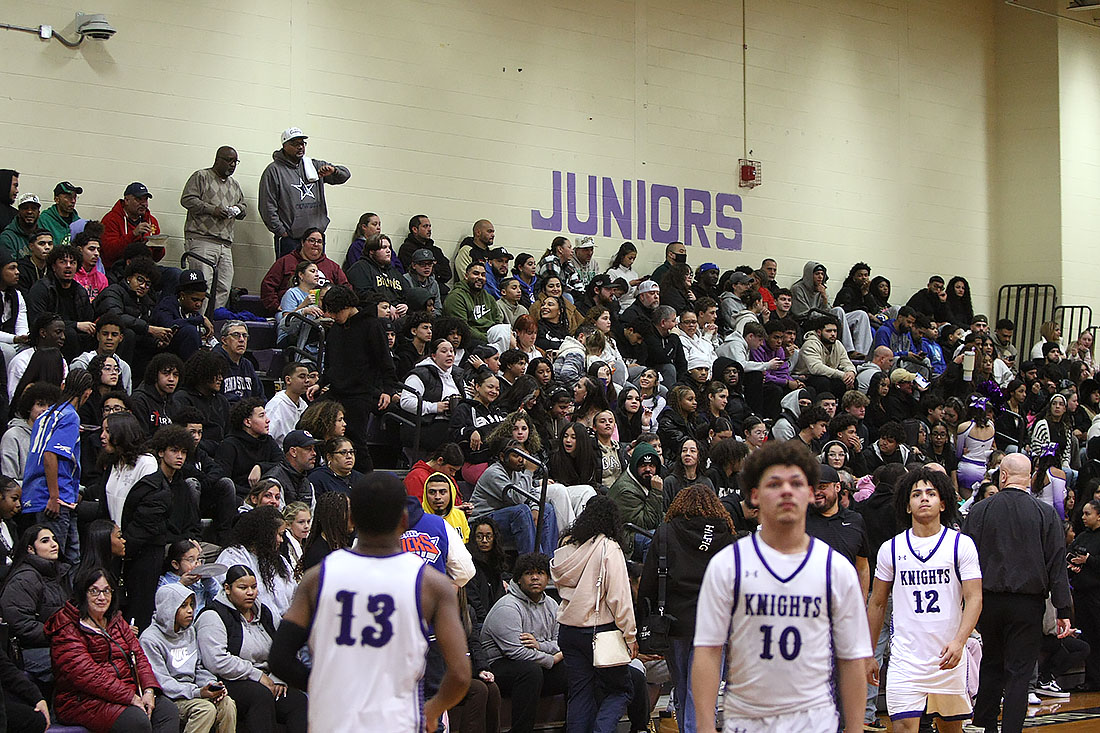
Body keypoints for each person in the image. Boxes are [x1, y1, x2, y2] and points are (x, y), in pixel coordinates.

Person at [691, 441, 872, 733]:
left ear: (811, 493)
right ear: (754, 495)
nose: (786, 491)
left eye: (797, 483)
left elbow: (851, 660)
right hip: (747, 723)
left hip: (816, 723)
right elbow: (708, 652)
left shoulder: (836, 569)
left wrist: (855, 729)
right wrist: (704, 727)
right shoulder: (728, 564)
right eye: (774, 483)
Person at [269, 472, 471, 732]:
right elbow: (461, 674)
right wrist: (432, 710)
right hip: (397, 721)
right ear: (404, 520)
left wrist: (321, 686)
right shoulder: (431, 584)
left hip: (334, 719)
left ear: (351, 519)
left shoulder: (317, 577)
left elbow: (280, 658)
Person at [866, 467, 982, 733]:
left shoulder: (960, 544)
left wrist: (960, 641)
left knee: (950, 729)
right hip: (905, 659)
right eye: (916, 494)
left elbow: (974, 598)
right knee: (904, 727)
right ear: (907, 506)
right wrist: (868, 653)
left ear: (943, 503)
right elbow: (877, 603)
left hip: (948, 655)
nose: (924, 498)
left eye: (931, 493)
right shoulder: (891, 548)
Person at [963, 453, 1073, 733]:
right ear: (1030, 478)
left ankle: (983, 725)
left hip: (987, 601)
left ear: (1002, 476)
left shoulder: (980, 510)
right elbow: (1057, 563)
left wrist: (963, 602)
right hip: (1027, 603)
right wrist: (1064, 610)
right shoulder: (1045, 513)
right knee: (1019, 672)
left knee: (991, 664)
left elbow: (964, 559)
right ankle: (1011, 729)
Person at [639, 484, 735, 733]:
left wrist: (642, 625)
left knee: (682, 689)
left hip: (676, 623)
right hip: (715, 624)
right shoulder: (726, 535)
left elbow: (648, 581)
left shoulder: (666, 533)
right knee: (703, 694)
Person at [45, 566, 180, 732]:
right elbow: (87, 674)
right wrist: (131, 697)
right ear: (83, 593)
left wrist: (148, 690)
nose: (102, 597)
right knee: (136, 721)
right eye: (94, 591)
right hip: (82, 700)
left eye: (106, 591)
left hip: (124, 694)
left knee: (168, 711)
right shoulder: (67, 626)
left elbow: (139, 657)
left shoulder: (116, 621)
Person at [550, 495, 637, 732]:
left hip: (568, 631)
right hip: (601, 632)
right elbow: (620, 597)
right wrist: (630, 636)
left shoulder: (565, 548)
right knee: (621, 690)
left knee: (580, 693)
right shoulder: (609, 547)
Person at [195, 564, 307, 733]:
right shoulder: (213, 615)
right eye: (243, 588)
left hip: (268, 678)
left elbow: (282, 648)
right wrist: (256, 675)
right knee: (260, 696)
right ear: (227, 588)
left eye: (253, 587)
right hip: (230, 680)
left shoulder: (264, 613)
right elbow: (216, 660)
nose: (250, 592)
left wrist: (278, 677)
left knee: (297, 701)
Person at [479, 551, 567, 733]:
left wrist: (541, 646)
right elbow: (516, 652)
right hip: (498, 667)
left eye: (540, 573)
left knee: (574, 668)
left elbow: (562, 640)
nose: (535, 578)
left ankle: (574, 726)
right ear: (519, 579)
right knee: (529, 671)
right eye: (528, 573)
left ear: (547, 578)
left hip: (535, 664)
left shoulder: (551, 604)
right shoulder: (507, 607)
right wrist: (552, 659)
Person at [312, 285, 396, 471]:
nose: (332, 316)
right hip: (335, 391)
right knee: (309, 422)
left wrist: (387, 390)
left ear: (347, 306)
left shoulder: (371, 326)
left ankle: (368, 485)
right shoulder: (336, 329)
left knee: (356, 441)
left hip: (359, 394)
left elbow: (385, 361)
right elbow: (332, 363)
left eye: (335, 311)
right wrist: (320, 383)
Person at [122, 425, 195, 630]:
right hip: (149, 552)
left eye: (183, 452)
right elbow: (140, 528)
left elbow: (191, 522)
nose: (179, 456)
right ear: (161, 452)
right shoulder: (150, 485)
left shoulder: (183, 486)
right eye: (174, 450)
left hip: (174, 547)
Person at [140, 583, 237, 733]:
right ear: (168, 608)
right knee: (205, 709)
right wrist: (197, 692)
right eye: (183, 606)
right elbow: (162, 682)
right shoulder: (150, 639)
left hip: (193, 691)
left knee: (227, 704)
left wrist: (211, 685)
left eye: (191, 604)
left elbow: (199, 667)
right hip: (171, 698)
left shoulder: (190, 631)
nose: (190, 610)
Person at [19, 369, 93, 565]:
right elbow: (50, 455)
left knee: (60, 560)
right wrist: (54, 496)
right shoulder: (70, 416)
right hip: (54, 499)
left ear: (63, 386)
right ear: (87, 393)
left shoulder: (45, 415)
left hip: (35, 495)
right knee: (59, 562)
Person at [258, 127, 351, 257]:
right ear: (284, 146)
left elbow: (345, 175)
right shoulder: (274, 171)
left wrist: (334, 171)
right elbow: (267, 206)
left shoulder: (313, 165)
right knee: (289, 276)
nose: (300, 147)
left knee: (315, 275)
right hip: (290, 239)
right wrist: (281, 231)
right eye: (295, 144)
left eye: (302, 143)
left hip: (315, 238)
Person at [0, 524, 71, 687]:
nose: (54, 544)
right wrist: (61, 635)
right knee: (74, 662)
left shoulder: (57, 573)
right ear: (31, 549)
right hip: (24, 652)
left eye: (54, 539)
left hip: (53, 643)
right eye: (45, 541)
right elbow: (20, 625)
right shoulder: (26, 578)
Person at [180, 146, 247, 309]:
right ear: (218, 160)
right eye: (229, 160)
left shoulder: (235, 184)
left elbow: (243, 206)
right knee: (203, 287)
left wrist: (239, 209)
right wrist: (213, 209)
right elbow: (187, 199)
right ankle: (199, 324)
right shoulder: (201, 176)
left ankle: (213, 324)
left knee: (223, 287)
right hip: (202, 239)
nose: (233, 165)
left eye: (235, 162)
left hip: (225, 243)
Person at [214, 506, 297, 619]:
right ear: (265, 534)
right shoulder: (233, 557)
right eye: (279, 535)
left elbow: (294, 592)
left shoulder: (278, 560)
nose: (281, 540)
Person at [805, 463, 871, 597]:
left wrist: (861, 604)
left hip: (844, 604)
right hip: (808, 605)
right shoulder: (798, 521)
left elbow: (862, 567)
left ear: (837, 487)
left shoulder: (855, 520)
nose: (817, 492)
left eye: (823, 487)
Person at [259, 228, 348, 312]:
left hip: (325, 313)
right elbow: (268, 286)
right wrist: (276, 306)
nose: (316, 244)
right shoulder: (285, 261)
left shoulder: (332, 266)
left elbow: (345, 289)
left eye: (319, 242)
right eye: (311, 240)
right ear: (302, 242)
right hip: (291, 312)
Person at [215, 397, 284, 503]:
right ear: (247, 422)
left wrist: (260, 467)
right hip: (239, 499)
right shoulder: (229, 445)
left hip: (268, 496)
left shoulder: (268, 441)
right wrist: (253, 494)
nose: (268, 420)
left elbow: (283, 464)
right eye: (261, 416)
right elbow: (223, 482)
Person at [608, 441, 665, 559]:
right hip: (623, 537)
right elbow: (646, 524)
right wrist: (656, 493)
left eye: (652, 466)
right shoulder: (626, 490)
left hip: (634, 531)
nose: (648, 470)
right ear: (635, 466)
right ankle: (647, 576)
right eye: (643, 466)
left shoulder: (644, 481)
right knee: (654, 538)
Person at [1067, 498, 1100, 691]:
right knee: (1088, 637)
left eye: (1088, 514)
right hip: (1082, 594)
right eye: (1083, 514)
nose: (1084, 517)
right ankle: (1092, 680)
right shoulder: (1082, 537)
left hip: (1097, 595)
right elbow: (1070, 554)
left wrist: (1089, 560)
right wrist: (1073, 565)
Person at [100, 182, 163, 268]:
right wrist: (133, 234)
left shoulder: (151, 221)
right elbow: (109, 253)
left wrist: (159, 247)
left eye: (145, 199)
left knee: (174, 273)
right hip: (119, 269)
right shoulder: (111, 219)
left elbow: (157, 258)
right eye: (139, 199)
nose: (144, 204)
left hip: (146, 268)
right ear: (126, 200)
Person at [444, 261, 505, 344]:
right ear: (466, 276)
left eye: (483, 275)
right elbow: (462, 328)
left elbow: (498, 321)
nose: (480, 277)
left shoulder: (489, 298)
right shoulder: (456, 297)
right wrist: (488, 339)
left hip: (491, 338)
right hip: (471, 341)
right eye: (476, 273)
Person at [131, 353, 183, 434]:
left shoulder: (175, 404)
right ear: (155, 375)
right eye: (166, 373)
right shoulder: (140, 400)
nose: (171, 379)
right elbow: (141, 437)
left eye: (175, 375)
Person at [398, 214, 454, 287]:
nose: (429, 229)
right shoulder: (407, 249)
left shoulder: (436, 250)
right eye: (425, 226)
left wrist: (432, 270)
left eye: (430, 226)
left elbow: (447, 274)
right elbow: (412, 272)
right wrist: (435, 267)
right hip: (416, 288)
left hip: (438, 289)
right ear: (415, 229)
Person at [264, 362, 309, 445]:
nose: (307, 380)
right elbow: (267, 437)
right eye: (302, 377)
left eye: (308, 377)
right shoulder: (276, 404)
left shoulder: (304, 405)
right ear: (288, 380)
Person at [0, 194, 42, 259]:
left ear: (39, 213)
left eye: (33, 208)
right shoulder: (8, 237)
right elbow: (9, 267)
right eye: (25, 208)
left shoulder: (42, 236)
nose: (29, 211)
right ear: (19, 212)